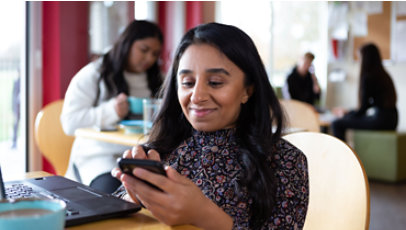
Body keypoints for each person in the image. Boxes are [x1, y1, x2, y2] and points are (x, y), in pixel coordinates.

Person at [111, 23, 309, 229]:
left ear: (247, 91)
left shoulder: (285, 161)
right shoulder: (163, 151)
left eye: (215, 82)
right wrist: (134, 196)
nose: (197, 96)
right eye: (187, 82)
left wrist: (203, 214)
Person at [60, 20, 163, 193]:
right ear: (127, 44)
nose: (149, 59)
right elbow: (69, 122)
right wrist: (111, 111)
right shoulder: (94, 74)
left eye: (155, 54)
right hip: (100, 157)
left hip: (143, 155)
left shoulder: (158, 78)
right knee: (115, 197)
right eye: (144, 50)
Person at [332, 43, 398, 142]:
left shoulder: (368, 77)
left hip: (380, 121)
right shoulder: (384, 75)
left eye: (360, 57)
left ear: (365, 58)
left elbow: (363, 109)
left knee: (336, 124)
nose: (359, 61)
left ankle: (343, 156)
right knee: (344, 121)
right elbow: (369, 105)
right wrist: (349, 112)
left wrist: (346, 115)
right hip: (392, 120)